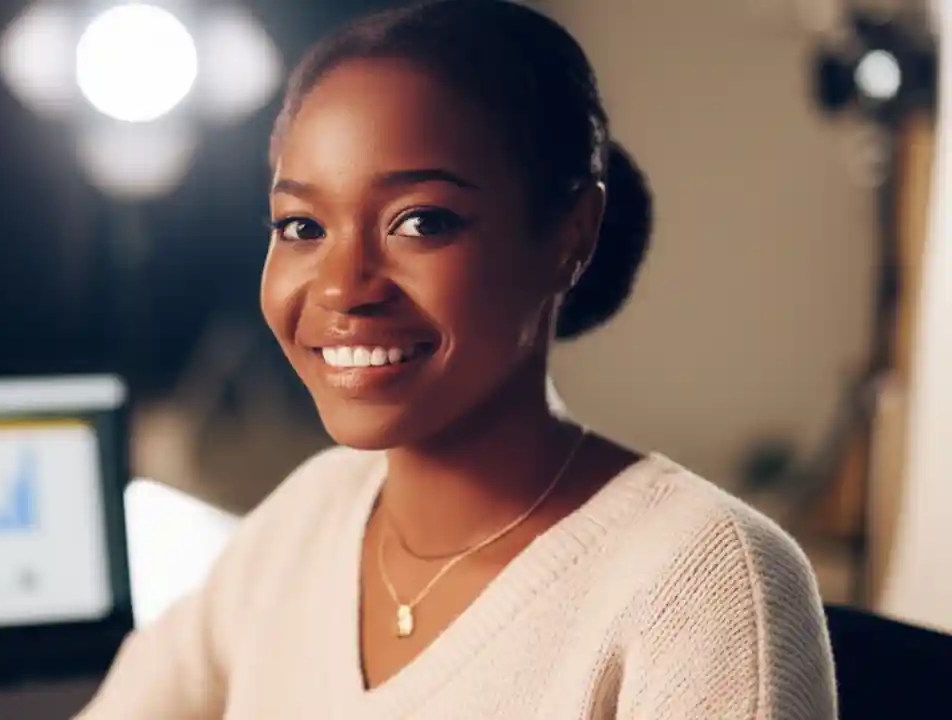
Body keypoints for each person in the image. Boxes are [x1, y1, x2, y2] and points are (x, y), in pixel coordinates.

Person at [81, 0, 837, 717]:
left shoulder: (702, 584)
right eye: (302, 227)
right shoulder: (311, 517)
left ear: (571, 236)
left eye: (422, 222)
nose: (344, 286)